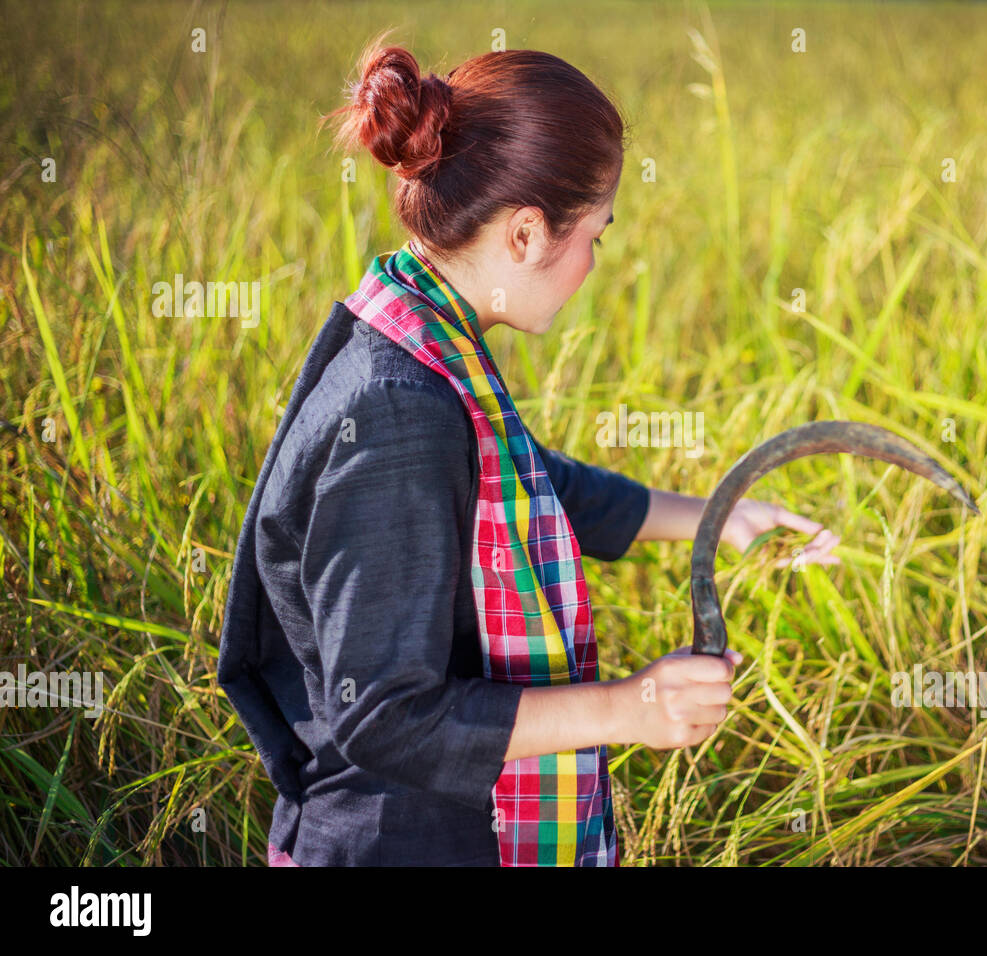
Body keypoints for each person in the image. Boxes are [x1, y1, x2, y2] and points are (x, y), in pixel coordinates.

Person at [217, 38, 841, 867]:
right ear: (523, 235)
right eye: (595, 236)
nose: (593, 265)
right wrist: (629, 708)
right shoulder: (400, 413)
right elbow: (381, 715)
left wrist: (721, 521)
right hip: (403, 843)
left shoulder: (418, 326)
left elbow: (536, 484)